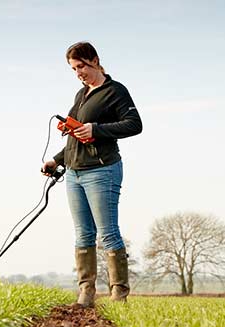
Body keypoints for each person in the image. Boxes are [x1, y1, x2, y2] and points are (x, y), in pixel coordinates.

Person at [42, 41, 142, 307]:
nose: (78, 73)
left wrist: (95, 129)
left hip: (102, 170)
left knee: (107, 233)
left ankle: (119, 294)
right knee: (83, 234)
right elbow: (77, 134)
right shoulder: (81, 94)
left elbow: (134, 124)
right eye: (74, 69)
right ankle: (86, 292)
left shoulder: (115, 91)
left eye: (81, 66)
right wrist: (56, 160)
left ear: (95, 61)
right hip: (74, 172)